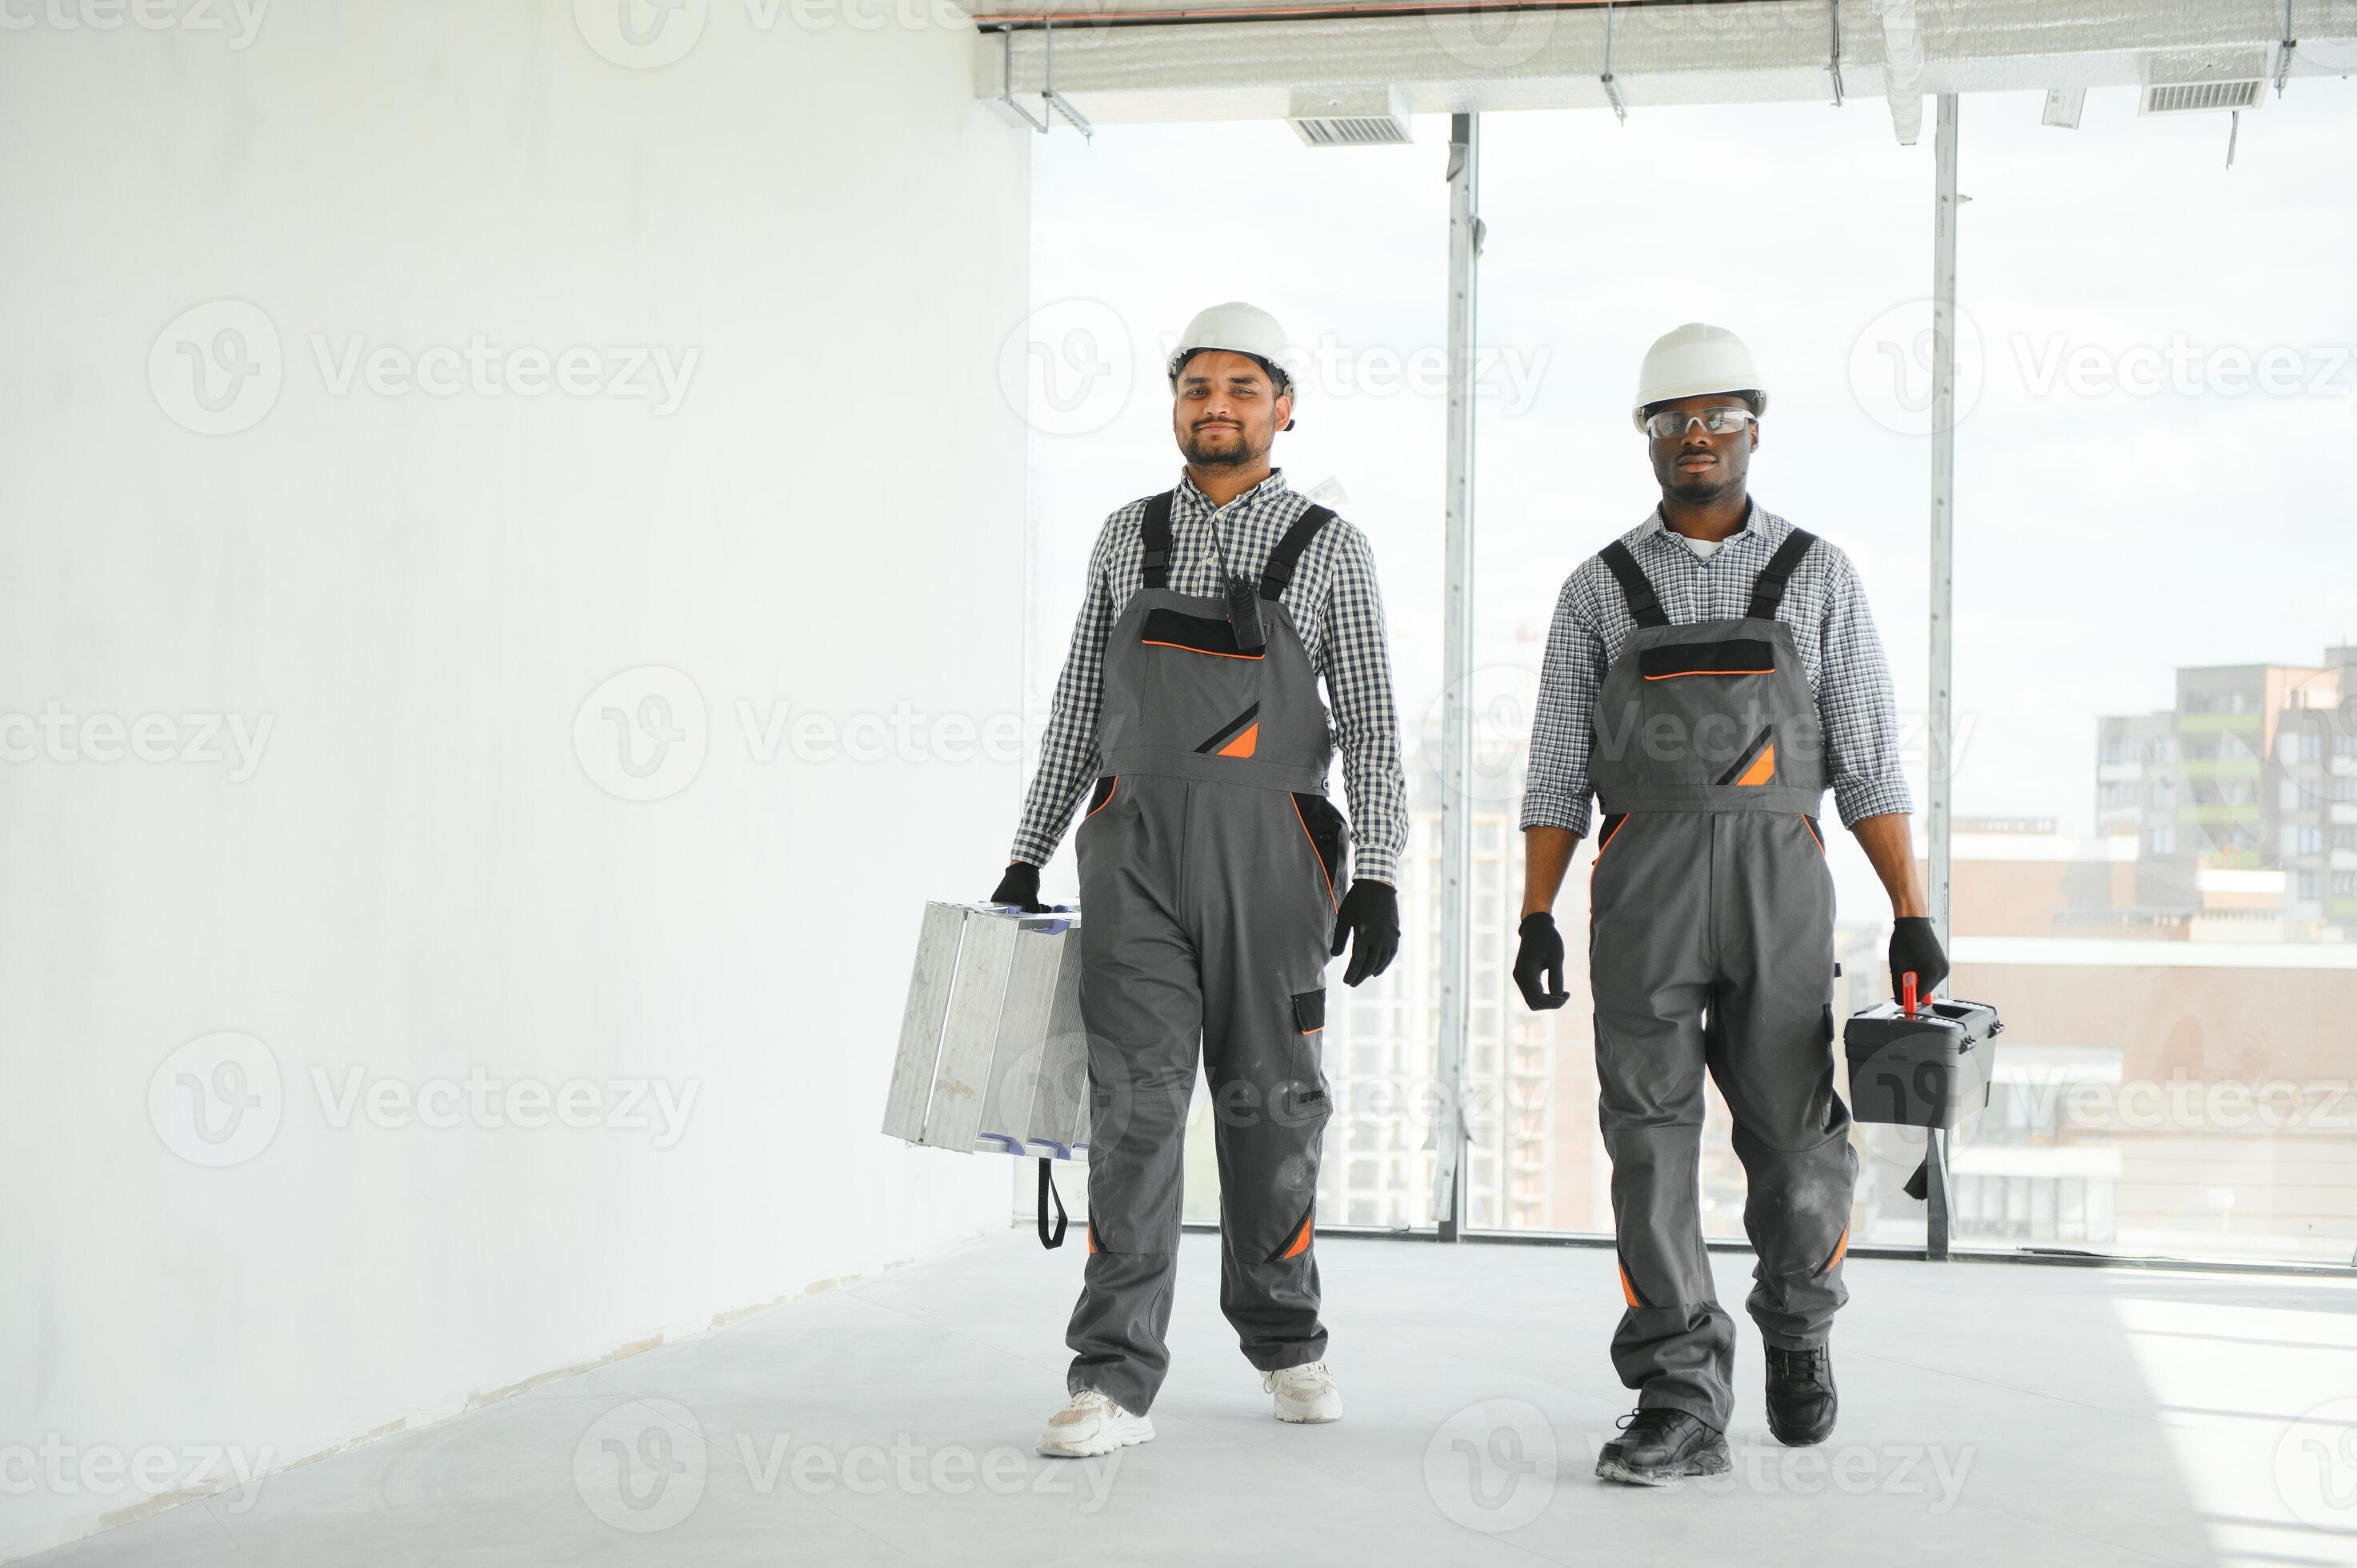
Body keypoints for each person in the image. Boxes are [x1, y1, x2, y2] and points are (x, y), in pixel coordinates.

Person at [1512, 323, 1949, 1486]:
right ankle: (1678, 1396)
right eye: (1672, 419)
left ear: (1754, 427)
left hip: (1779, 893)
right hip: (1640, 895)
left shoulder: (1816, 574)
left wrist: (1910, 907)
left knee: (1797, 1144)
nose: (1694, 435)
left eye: (1715, 416)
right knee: (1645, 1150)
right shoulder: (1596, 590)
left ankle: (1797, 1324)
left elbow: (1866, 754)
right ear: (1646, 437)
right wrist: (1534, 912)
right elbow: (1555, 767)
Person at [992, 302, 1407, 1458]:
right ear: (1174, 407)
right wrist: (1027, 851)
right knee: (1133, 1118)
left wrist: (1377, 873)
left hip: (1275, 864)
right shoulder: (1125, 537)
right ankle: (1111, 1378)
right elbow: (1081, 703)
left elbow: (1371, 726)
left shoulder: (1328, 544)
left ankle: (1285, 1340)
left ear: (1282, 410)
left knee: (1271, 1110)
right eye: (1193, 389)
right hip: (1131, 855)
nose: (1213, 408)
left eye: (1238, 389)